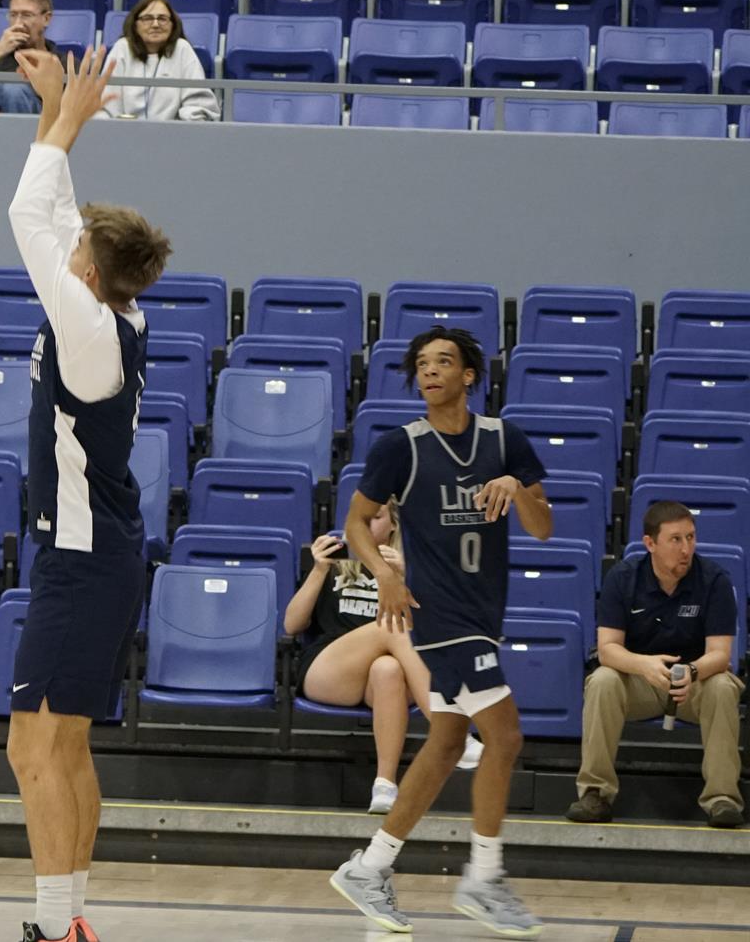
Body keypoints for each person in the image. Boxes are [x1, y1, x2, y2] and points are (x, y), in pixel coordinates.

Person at [3, 47, 174, 942]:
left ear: (88, 275)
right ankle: (69, 921)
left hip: (80, 555)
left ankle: (53, 923)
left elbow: (28, 210)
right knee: (64, 745)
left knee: (31, 747)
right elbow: (58, 211)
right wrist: (52, 113)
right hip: (94, 550)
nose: (64, 250)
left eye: (76, 252)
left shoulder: (90, 326)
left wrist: (68, 122)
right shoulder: (111, 309)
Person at [329, 327, 553, 938]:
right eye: (422, 364)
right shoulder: (401, 447)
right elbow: (354, 522)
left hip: (485, 616)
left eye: (443, 362)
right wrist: (384, 578)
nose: (430, 372)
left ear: (469, 375)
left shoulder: (503, 440)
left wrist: (516, 489)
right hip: (439, 617)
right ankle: (483, 877)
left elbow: (542, 528)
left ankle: (369, 867)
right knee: (505, 737)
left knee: (449, 743)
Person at [287, 503, 483, 817]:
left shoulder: (410, 568)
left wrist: (410, 575)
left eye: (374, 518)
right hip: (330, 671)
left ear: (392, 524)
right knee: (391, 625)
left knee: (388, 669)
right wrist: (318, 569)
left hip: (380, 679)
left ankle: (384, 785)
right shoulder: (334, 565)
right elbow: (292, 625)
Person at [570, 500, 743, 828]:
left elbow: (721, 654)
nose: (686, 548)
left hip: (695, 685)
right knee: (603, 680)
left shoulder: (714, 580)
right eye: (675, 539)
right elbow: (608, 650)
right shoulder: (622, 579)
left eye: (691, 537)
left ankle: (722, 799)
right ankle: (595, 794)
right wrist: (644, 666)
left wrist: (692, 672)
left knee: (723, 685)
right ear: (650, 543)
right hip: (640, 682)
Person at [97, 0, 218, 123]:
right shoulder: (122, 48)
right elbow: (106, 102)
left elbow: (198, 103)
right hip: (123, 134)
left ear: (172, 24)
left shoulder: (182, 48)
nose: (155, 24)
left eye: (162, 19)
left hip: (173, 137)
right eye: (147, 18)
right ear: (135, 24)